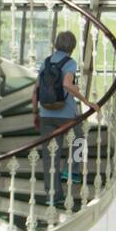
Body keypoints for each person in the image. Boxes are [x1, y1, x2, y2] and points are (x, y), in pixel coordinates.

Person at [32, 30, 88, 208]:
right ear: (72, 47)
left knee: (50, 157)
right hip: (67, 114)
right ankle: (71, 171)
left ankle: (53, 196)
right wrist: (87, 101)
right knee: (80, 139)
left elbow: (36, 91)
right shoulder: (70, 63)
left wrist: (35, 113)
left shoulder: (46, 62)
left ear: (56, 44)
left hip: (46, 114)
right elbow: (66, 84)